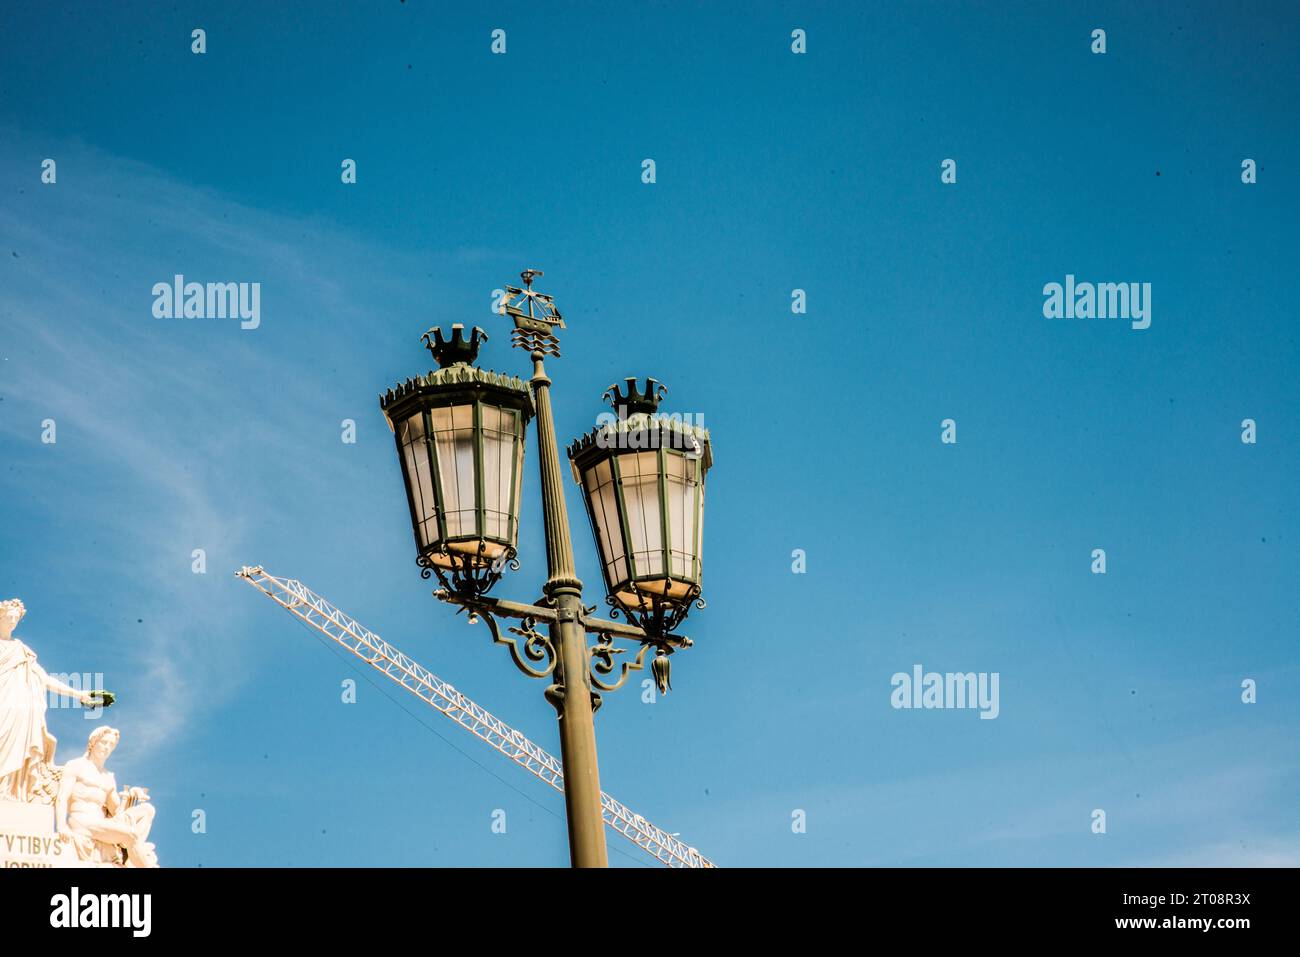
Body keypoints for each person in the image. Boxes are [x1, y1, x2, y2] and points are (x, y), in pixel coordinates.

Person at [0, 597, 113, 802]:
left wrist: (80, 695)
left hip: (21, 709)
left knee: (16, 746)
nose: (13, 621)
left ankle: (9, 792)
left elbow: (45, 679)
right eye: (9, 616)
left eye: (16, 618)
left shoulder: (21, 651)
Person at [56, 726, 157, 867]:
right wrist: (61, 826)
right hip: (82, 821)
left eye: (111, 745)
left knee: (147, 810)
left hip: (101, 823)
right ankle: (135, 855)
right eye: (103, 742)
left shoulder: (108, 778)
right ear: (93, 742)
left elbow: (117, 812)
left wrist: (131, 795)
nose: (107, 747)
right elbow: (62, 797)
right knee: (131, 835)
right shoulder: (75, 765)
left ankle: (130, 853)